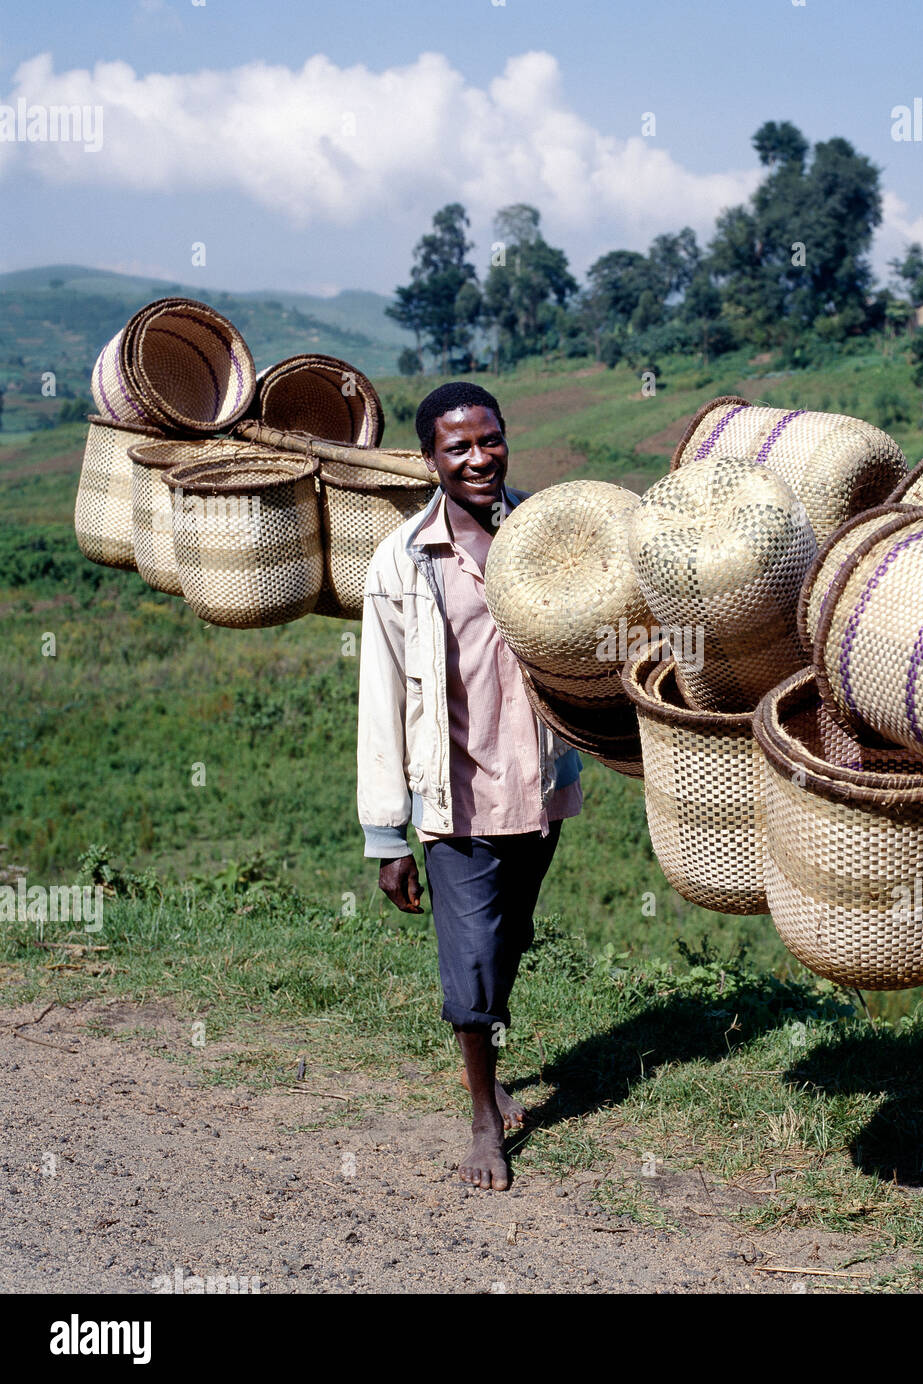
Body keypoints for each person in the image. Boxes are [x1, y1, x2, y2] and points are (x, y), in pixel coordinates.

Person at [356, 381, 582, 1191]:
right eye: (460, 447)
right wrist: (387, 836)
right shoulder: (402, 559)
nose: (480, 458)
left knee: (511, 937)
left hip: (539, 783)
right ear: (431, 461)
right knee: (473, 958)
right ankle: (484, 1118)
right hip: (452, 794)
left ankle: (490, 1066)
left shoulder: (542, 535)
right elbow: (380, 698)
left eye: (491, 440)